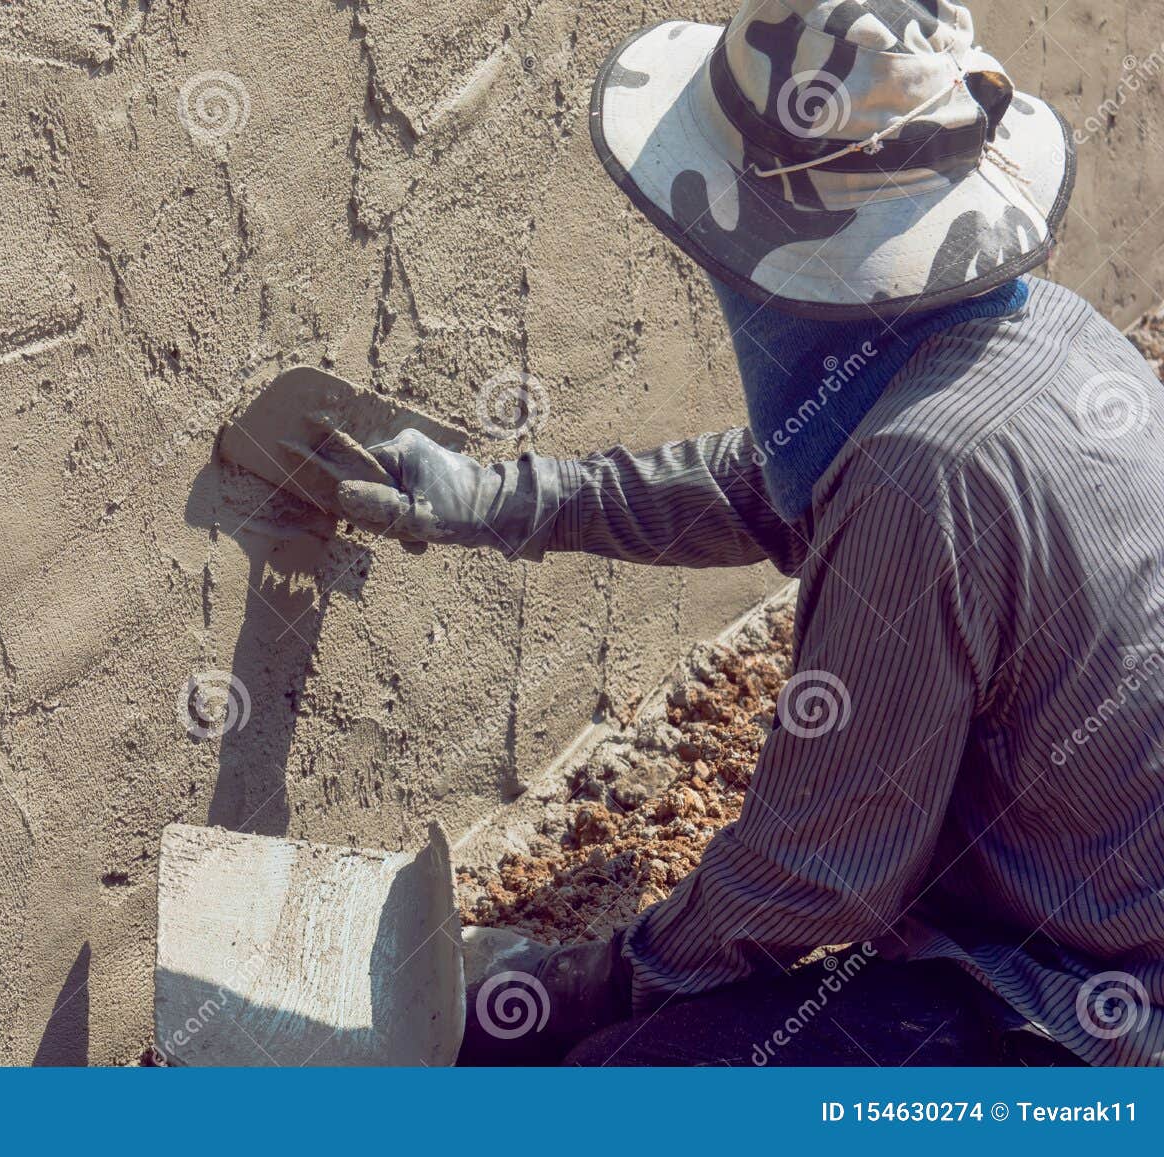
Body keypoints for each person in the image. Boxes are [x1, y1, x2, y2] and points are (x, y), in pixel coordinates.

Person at [284, 0, 1164, 1066]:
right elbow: (773, 483)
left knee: (613, 1087)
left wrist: (584, 986)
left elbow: (819, 873)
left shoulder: (920, 477)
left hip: (1094, 1007)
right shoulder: (1048, 331)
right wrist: (506, 497)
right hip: (1103, 910)